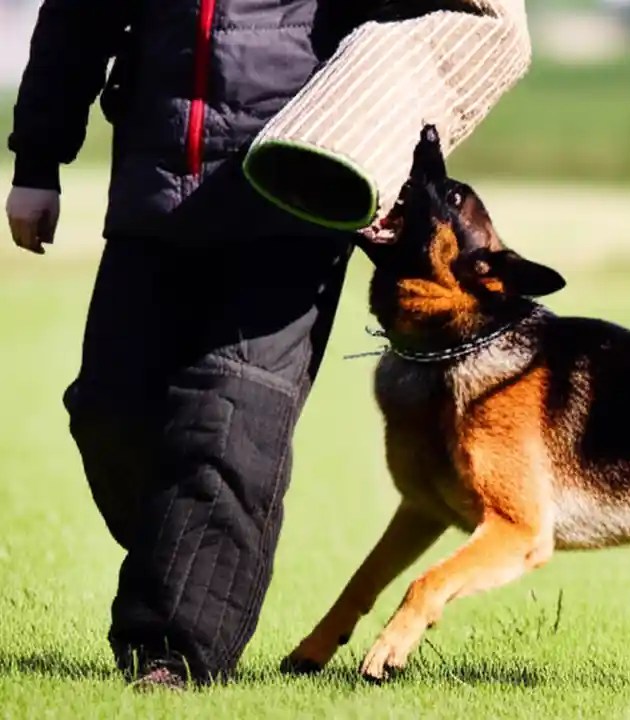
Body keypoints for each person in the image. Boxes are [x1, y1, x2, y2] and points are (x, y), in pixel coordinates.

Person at [5, 0, 527, 689]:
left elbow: (441, 24)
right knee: (110, 409)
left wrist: (382, 156)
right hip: (152, 192)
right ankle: (192, 554)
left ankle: (173, 656)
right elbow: (77, 18)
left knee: (227, 422)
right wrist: (37, 162)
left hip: (296, 196)